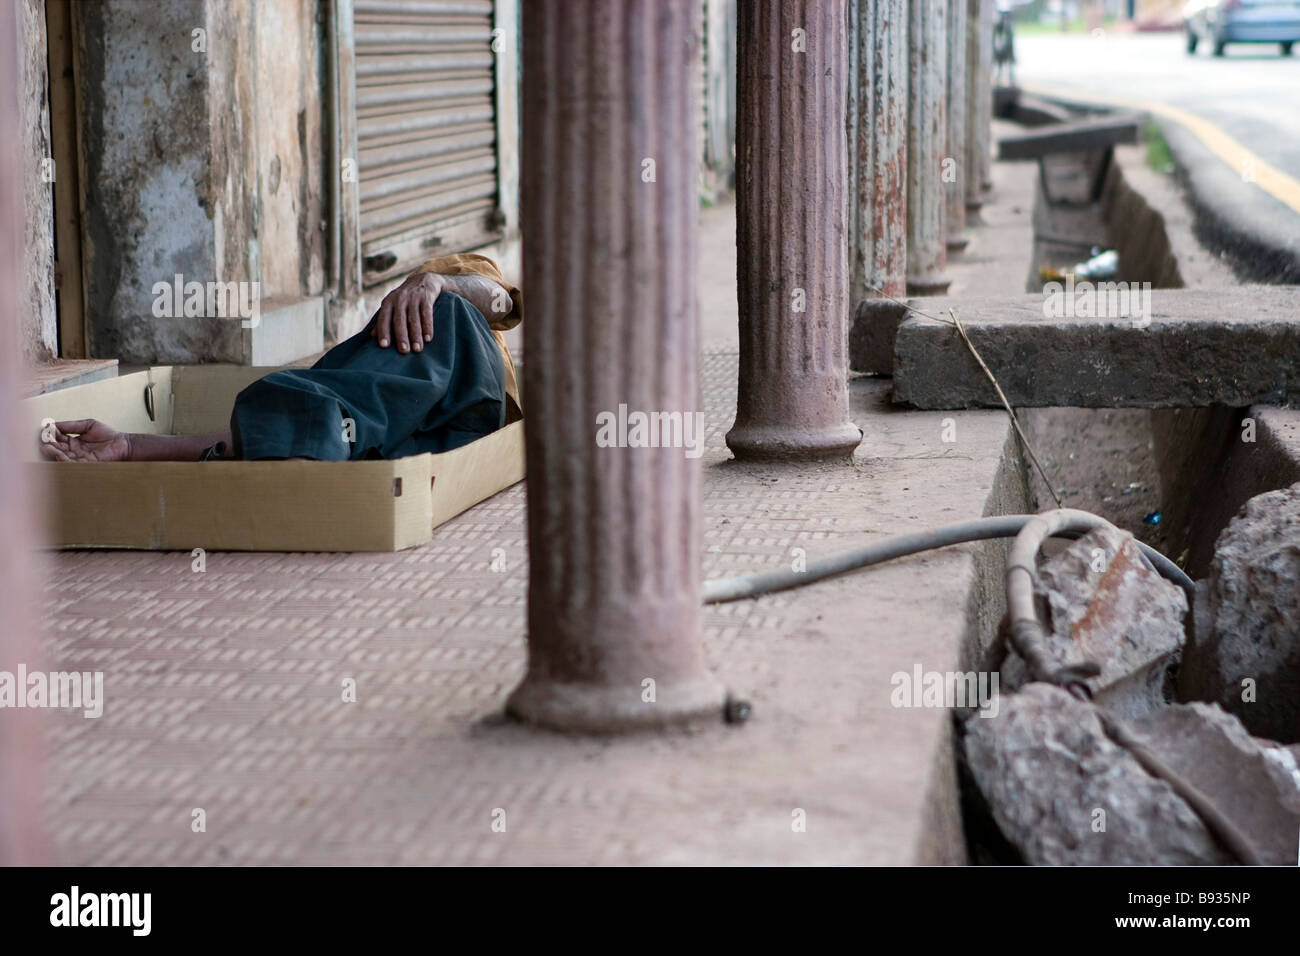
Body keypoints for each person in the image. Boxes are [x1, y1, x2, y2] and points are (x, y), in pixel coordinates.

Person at [39, 254, 522, 463]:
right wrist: (130, 445)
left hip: (469, 407)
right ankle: (309, 453)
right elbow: (499, 298)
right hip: (418, 445)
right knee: (339, 425)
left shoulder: (452, 321)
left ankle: (313, 438)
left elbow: (500, 303)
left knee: (446, 310)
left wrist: (436, 285)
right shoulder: (372, 385)